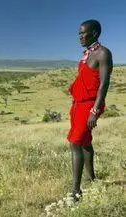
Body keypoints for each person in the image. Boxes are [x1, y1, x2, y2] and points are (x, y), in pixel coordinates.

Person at [67, 19, 113, 201]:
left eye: (83, 33)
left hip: (89, 105)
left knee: (75, 143)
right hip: (79, 104)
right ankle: (92, 178)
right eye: (79, 33)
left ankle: (76, 190)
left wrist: (94, 110)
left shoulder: (103, 54)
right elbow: (86, 78)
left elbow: (104, 84)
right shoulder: (86, 54)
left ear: (94, 33)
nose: (80, 36)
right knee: (85, 142)